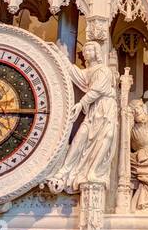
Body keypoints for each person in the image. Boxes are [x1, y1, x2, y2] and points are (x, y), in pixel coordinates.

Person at [48, 40, 118, 193]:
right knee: (80, 137)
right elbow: (74, 73)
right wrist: (58, 54)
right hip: (94, 109)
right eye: (85, 50)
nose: (86, 53)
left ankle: (93, 172)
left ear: (97, 53)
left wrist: (80, 104)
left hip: (106, 108)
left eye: (90, 50)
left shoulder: (103, 70)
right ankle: (64, 171)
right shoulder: (88, 72)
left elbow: (97, 90)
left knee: (106, 137)